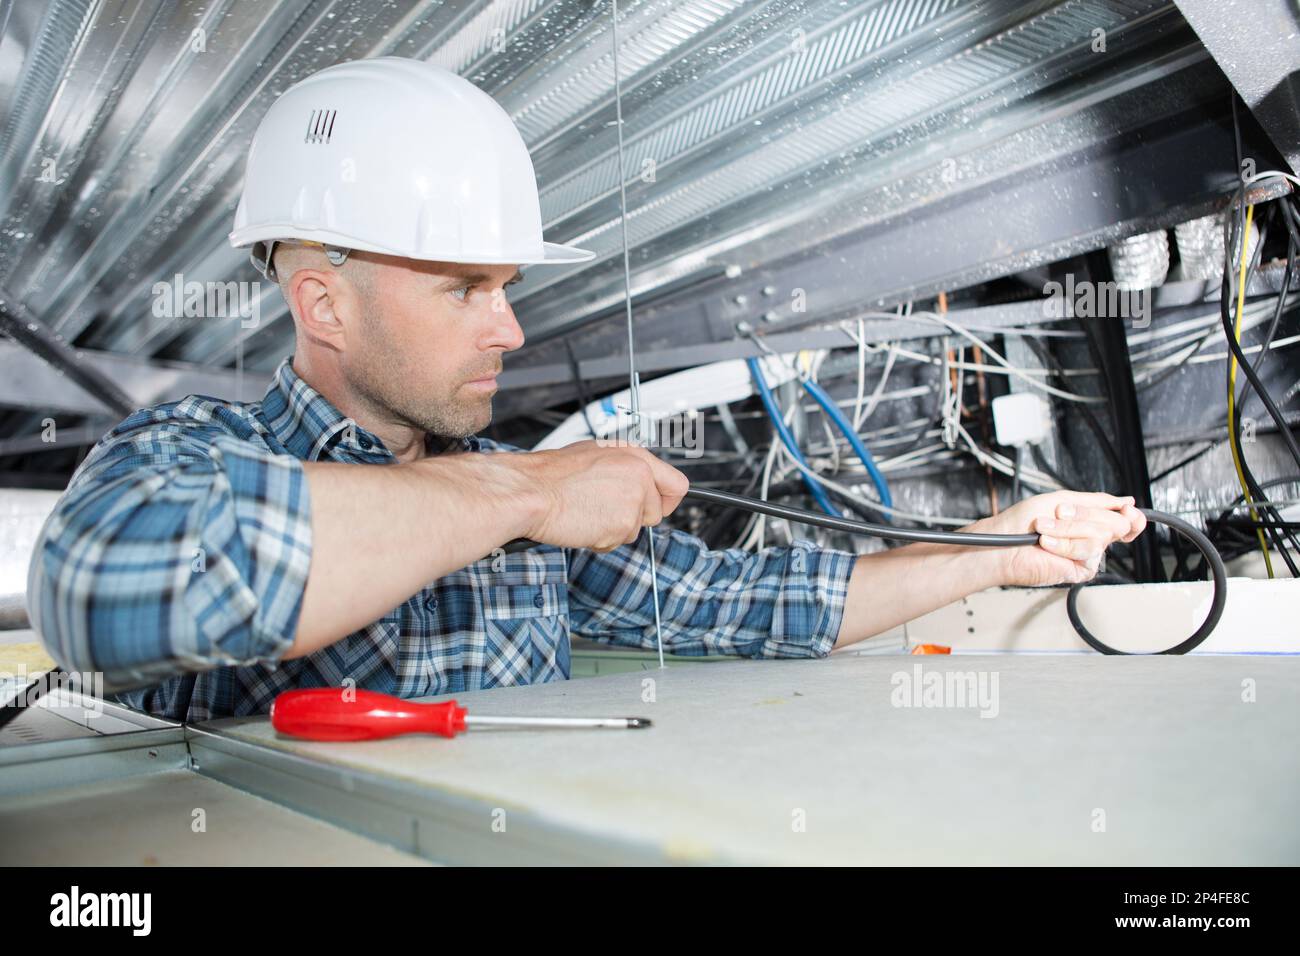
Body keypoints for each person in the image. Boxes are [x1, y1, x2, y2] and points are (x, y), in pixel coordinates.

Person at [28, 58, 1145, 721]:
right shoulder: (196, 448)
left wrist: (996, 548)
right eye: (466, 286)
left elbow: (755, 605)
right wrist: (524, 493)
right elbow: (98, 594)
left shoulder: (530, 508)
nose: (509, 326)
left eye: (506, 284)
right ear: (324, 304)